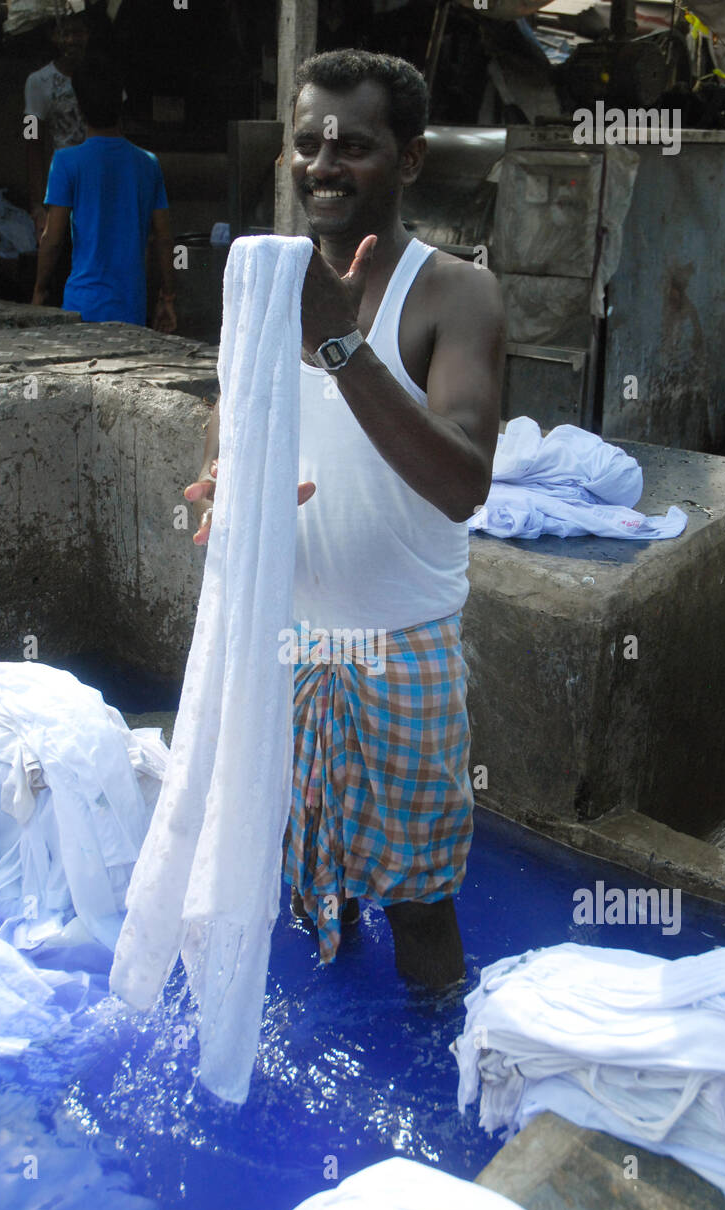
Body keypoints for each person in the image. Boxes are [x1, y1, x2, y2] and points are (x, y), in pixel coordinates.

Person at [186, 49, 505, 987]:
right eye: (307, 143)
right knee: (301, 874)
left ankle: (440, 1077)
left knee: (418, 904)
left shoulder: (455, 294)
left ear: (408, 162)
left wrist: (338, 340)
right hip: (286, 644)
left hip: (400, 647)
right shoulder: (264, 285)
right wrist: (216, 482)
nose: (323, 164)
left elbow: (462, 482)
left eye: (354, 146)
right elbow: (224, 427)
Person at [32, 57, 177, 333]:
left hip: (82, 306)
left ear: (79, 105)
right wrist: (167, 297)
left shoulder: (65, 162)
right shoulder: (148, 164)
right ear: (121, 102)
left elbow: (52, 239)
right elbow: (164, 238)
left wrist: (39, 291)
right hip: (130, 307)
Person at [24, 11, 90, 245]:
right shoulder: (38, 82)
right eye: (66, 33)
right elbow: (32, 139)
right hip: (61, 187)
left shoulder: (101, 75)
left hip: (97, 183)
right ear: (55, 37)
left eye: (78, 33)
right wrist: (37, 204)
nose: (72, 40)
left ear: (88, 35)